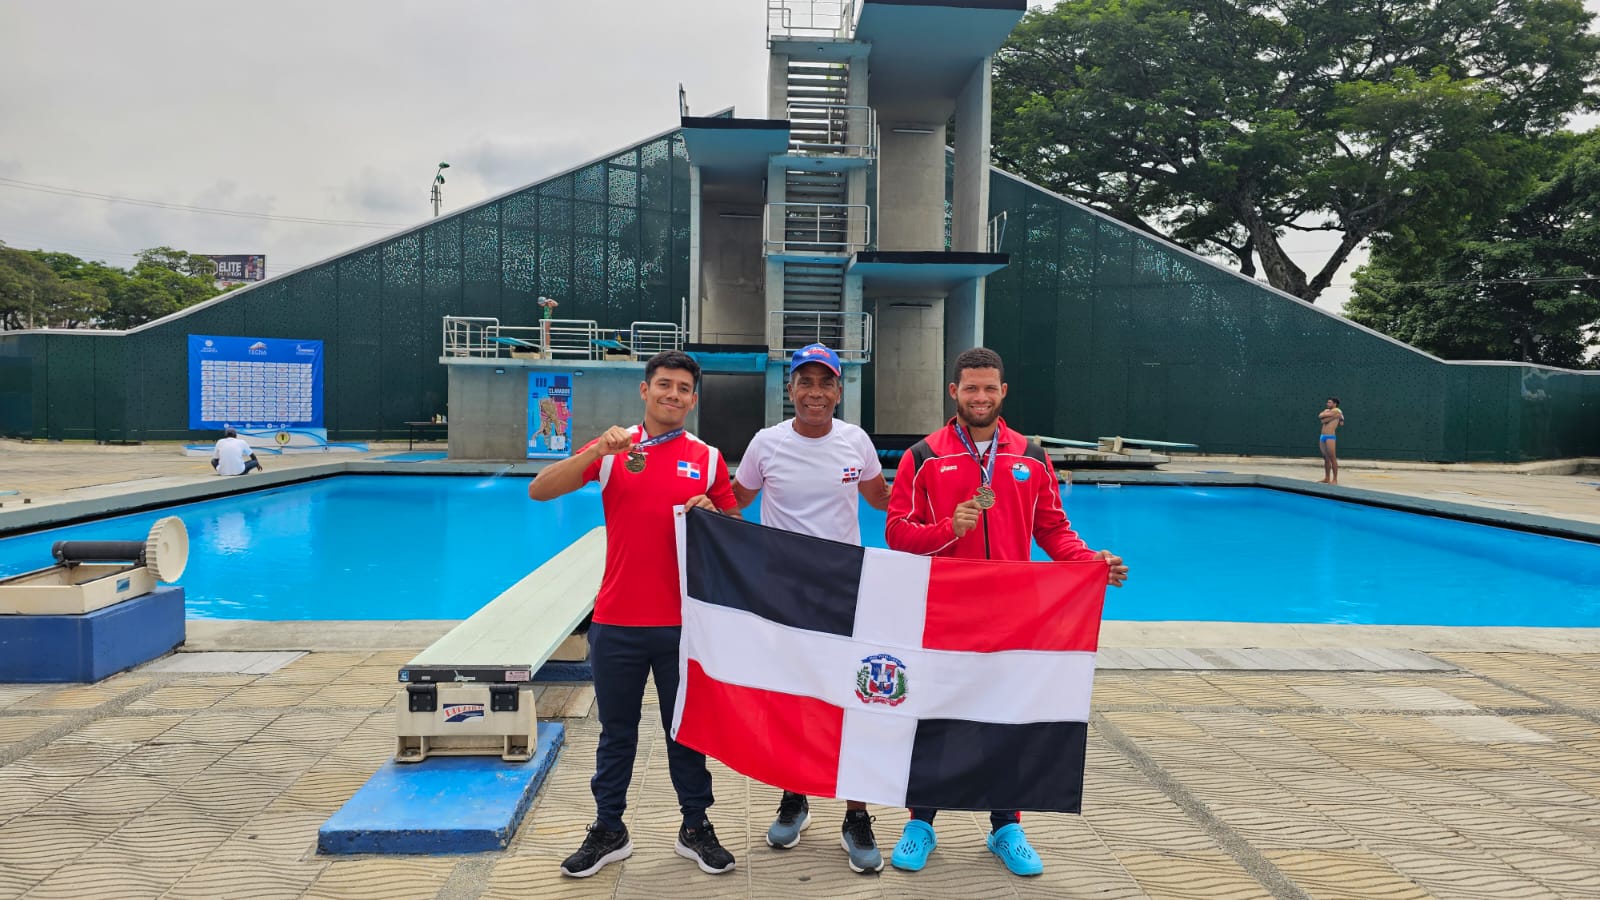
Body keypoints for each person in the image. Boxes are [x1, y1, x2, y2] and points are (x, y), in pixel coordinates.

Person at [883, 346, 1129, 878]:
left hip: (1014, 616)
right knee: (936, 718)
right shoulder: (923, 457)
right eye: (970, 388)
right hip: (945, 613)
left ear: (1003, 392)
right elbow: (897, 534)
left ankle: (1005, 825)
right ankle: (921, 821)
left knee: (1009, 717)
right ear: (954, 392)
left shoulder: (1031, 456)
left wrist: (1093, 563)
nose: (980, 397)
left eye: (989, 388)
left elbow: (1053, 530)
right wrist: (951, 528)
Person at [528, 349, 740, 879]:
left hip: (683, 624)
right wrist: (598, 448)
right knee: (616, 732)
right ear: (645, 391)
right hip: (618, 621)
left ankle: (695, 827)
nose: (673, 395)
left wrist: (716, 514)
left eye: (683, 388)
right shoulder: (613, 449)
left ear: (694, 398)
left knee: (685, 731)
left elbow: (737, 533)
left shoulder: (709, 457)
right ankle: (609, 829)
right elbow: (539, 489)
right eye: (663, 385)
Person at [729, 343, 892, 874]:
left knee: (853, 699)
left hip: (845, 589)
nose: (815, 393)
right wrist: (696, 504)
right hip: (782, 594)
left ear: (839, 391)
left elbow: (881, 500)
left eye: (826, 384)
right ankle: (794, 795)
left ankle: (856, 814)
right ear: (791, 389)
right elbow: (736, 500)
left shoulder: (857, 442)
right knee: (793, 699)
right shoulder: (765, 444)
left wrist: (941, 491)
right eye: (806, 382)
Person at [1318, 397, 1344, 484]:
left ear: (1335, 404)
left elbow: (1341, 423)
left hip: (1330, 436)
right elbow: (1321, 417)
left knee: (1332, 458)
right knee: (1326, 458)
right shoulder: (1328, 411)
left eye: (1329, 402)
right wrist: (1331, 417)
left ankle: (1335, 479)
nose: (1327, 404)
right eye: (1327, 402)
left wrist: (1326, 417)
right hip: (1322, 436)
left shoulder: (1338, 410)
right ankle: (1327, 478)